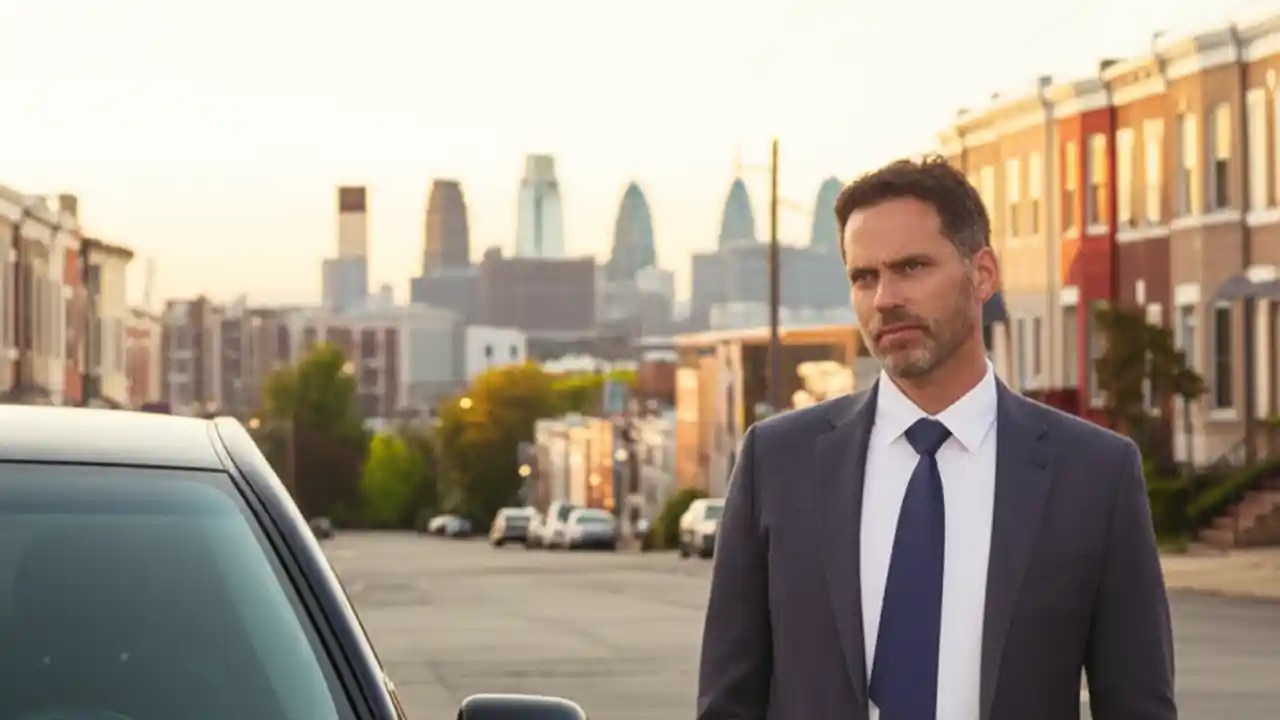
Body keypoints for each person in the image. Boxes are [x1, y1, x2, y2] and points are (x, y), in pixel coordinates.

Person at [696, 156, 1175, 720]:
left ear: (983, 274)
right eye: (864, 277)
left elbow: (1137, 704)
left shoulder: (1094, 473)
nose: (884, 298)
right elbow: (729, 701)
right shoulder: (778, 463)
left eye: (912, 267)